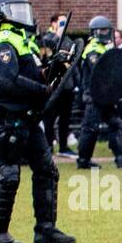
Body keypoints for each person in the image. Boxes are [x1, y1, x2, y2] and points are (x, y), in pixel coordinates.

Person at [0, 0, 76, 243]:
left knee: (47, 170)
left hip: (30, 118)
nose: (24, 15)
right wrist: (43, 90)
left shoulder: (25, 41)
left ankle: (45, 230)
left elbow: (34, 76)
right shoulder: (2, 41)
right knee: (9, 174)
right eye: (16, 9)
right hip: (10, 118)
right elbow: (8, 80)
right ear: (3, 14)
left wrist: (53, 68)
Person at [75, 16, 122, 170]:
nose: (105, 33)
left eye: (106, 30)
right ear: (94, 32)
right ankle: (83, 161)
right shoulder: (92, 50)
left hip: (106, 96)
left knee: (116, 124)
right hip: (94, 96)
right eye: (102, 30)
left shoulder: (105, 49)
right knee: (90, 128)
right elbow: (99, 73)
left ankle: (121, 158)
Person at [40, 15, 78, 156]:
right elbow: (45, 60)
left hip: (67, 86)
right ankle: (49, 146)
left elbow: (74, 62)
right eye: (61, 22)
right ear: (54, 23)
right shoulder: (47, 39)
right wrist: (58, 37)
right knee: (49, 117)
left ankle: (63, 147)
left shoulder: (70, 42)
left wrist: (75, 82)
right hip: (54, 86)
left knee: (65, 117)